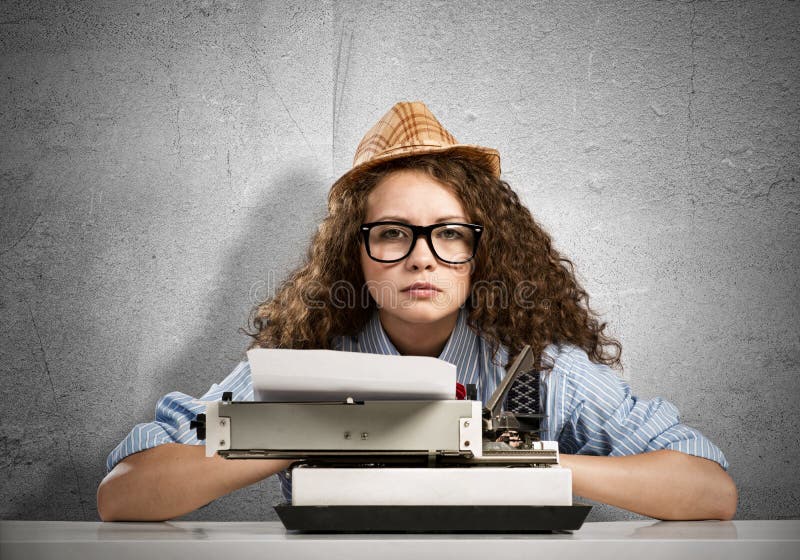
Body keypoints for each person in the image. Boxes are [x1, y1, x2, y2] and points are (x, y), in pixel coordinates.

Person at [97, 101, 737, 522]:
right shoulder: (299, 369)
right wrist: (316, 432)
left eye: (449, 234)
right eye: (393, 233)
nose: (422, 259)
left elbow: (710, 490)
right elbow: (124, 493)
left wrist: (512, 455)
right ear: (355, 255)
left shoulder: (540, 371)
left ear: (482, 253)